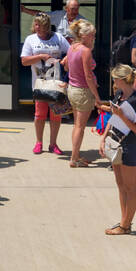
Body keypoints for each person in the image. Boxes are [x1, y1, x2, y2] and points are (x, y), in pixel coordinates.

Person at [98, 64, 136, 235]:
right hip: (115, 141)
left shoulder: (135, 100)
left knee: (130, 187)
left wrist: (122, 116)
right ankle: (124, 221)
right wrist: (103, 138)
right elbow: (112, 116)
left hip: (128, 144)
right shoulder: (119, 94)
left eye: (114, 79)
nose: (113, 83)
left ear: (121, 79)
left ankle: (125, 225)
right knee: (120, 185)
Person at [20, 12, 69, 155]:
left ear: (48, 26)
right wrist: (41, 56)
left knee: (56, 115)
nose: (39, 28)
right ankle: (38, 142)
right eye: (36, 25)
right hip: (40, 84)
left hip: (56, 83)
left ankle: (53, 144)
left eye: (42, 26)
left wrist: (63, 61)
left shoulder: (58, 38)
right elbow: (24, 61)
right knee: (39, 114)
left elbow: (70, 52)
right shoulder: (30, 39)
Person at [64, 19, 102, 167]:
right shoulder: (85, 51)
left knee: (76, 125)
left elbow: (66, 67)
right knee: (80, 127)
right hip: (83, 91)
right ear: (83, 35)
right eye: (92, 35)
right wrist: (97, 97)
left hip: (72, 89)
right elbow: (88, 76)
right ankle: (74, 158)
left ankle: (76, 155)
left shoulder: (72, 47)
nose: (93, 37)